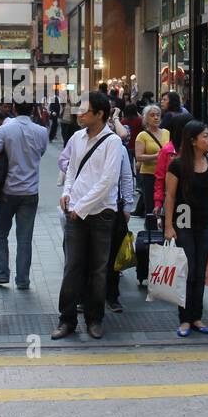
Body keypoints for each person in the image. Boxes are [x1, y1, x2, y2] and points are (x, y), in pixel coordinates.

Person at [53, 92, 124, 340]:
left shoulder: (113, 142)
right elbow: (71, 170)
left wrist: (80, 208)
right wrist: (66, 193)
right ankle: (66, 319)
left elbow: (107, 181)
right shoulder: (76, 137)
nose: (79, 114)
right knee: (72, 267)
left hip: (100, 214)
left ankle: (95, 319)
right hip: (75, 212)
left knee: (98, 269)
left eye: (84, 110)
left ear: (100, 114)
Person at [164, 119, 208, 338]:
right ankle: (184, 319)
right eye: (205, 136)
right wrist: (168, 225)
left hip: (205, 222)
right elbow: (170, 196)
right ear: (193, 140)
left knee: (200, 271)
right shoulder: (177, 164)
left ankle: (197, 316)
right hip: (183, 222)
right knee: (188, 270)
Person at [0, 101, 48, 291]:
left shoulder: (5, 129)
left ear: (14, 109)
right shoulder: (41, 131)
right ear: (33, 110)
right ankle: (22, 280)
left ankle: (2, 274)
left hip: (7, 190)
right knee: (24, 237)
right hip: (30, 191)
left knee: (0, 233)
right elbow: (42, 153)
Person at [103, 138, 136, 312]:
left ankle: (112, 295)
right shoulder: (80, 140)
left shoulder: (119, 148)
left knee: (114, 255)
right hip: (90, 209)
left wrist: (128, 205)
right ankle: (86, 297)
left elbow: (126, 176)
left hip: (115, 207)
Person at [133, 105, 170, 219]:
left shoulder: (166, 133)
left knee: (166, 204)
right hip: (149, 174)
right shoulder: (142, 135)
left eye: (158, 115)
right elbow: (138, 157)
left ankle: (164, 229)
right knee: (151, 205)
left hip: (165, 174)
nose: (156, 118)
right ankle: (151, 230)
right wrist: (157, 156)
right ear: (146, 119)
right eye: (152, 115)